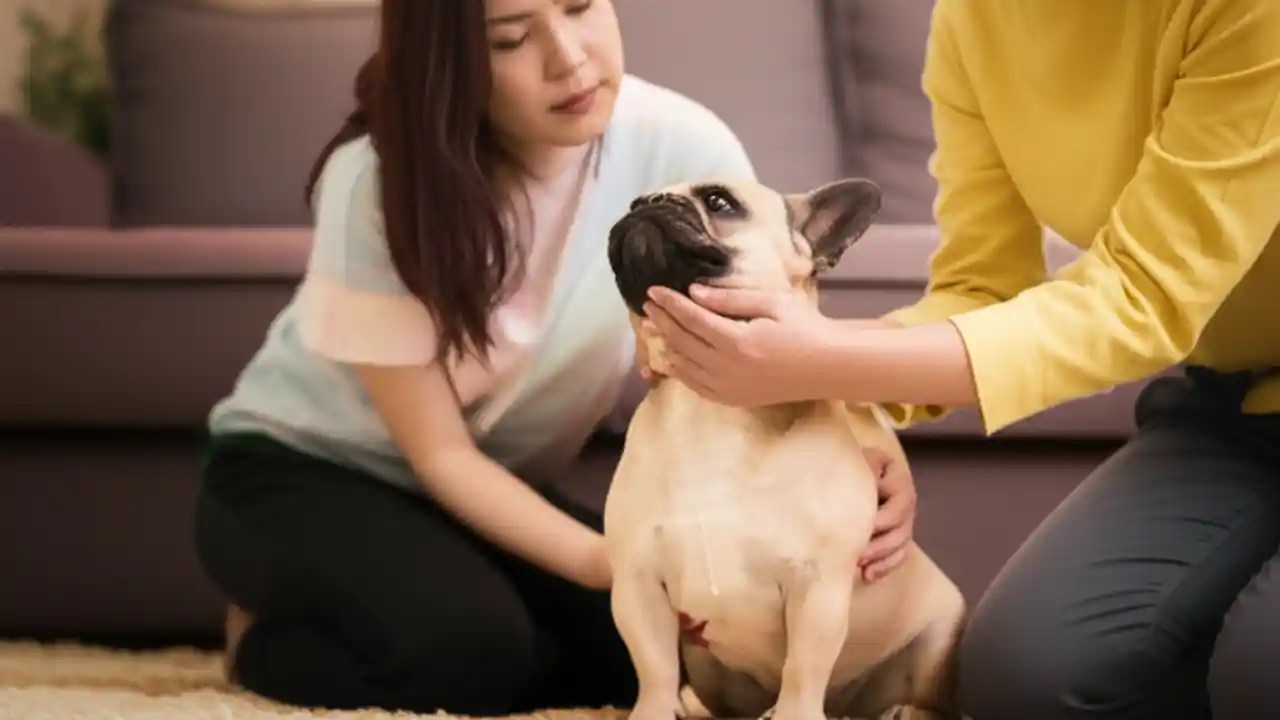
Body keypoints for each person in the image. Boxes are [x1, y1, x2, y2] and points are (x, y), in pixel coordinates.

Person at [643, 1, 1280, 718]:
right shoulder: (975, 19)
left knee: (1261, 672)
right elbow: (980, 284)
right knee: (1025, 679)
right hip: (1236, 403)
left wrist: (827, 362)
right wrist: (852, 414)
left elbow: (1143, 297)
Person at [191, 0, 766, 714]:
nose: (570, 57)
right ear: (448, 63)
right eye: (510, 38)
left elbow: (767, 354)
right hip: (301, 472)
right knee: (469, 654)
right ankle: (260, 643)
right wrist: (607, 560)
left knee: (663, 653)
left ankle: (489, 626)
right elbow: (439, 456)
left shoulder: (682, 149)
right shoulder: (377, 180)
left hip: (489, 485)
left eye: (581, 6)